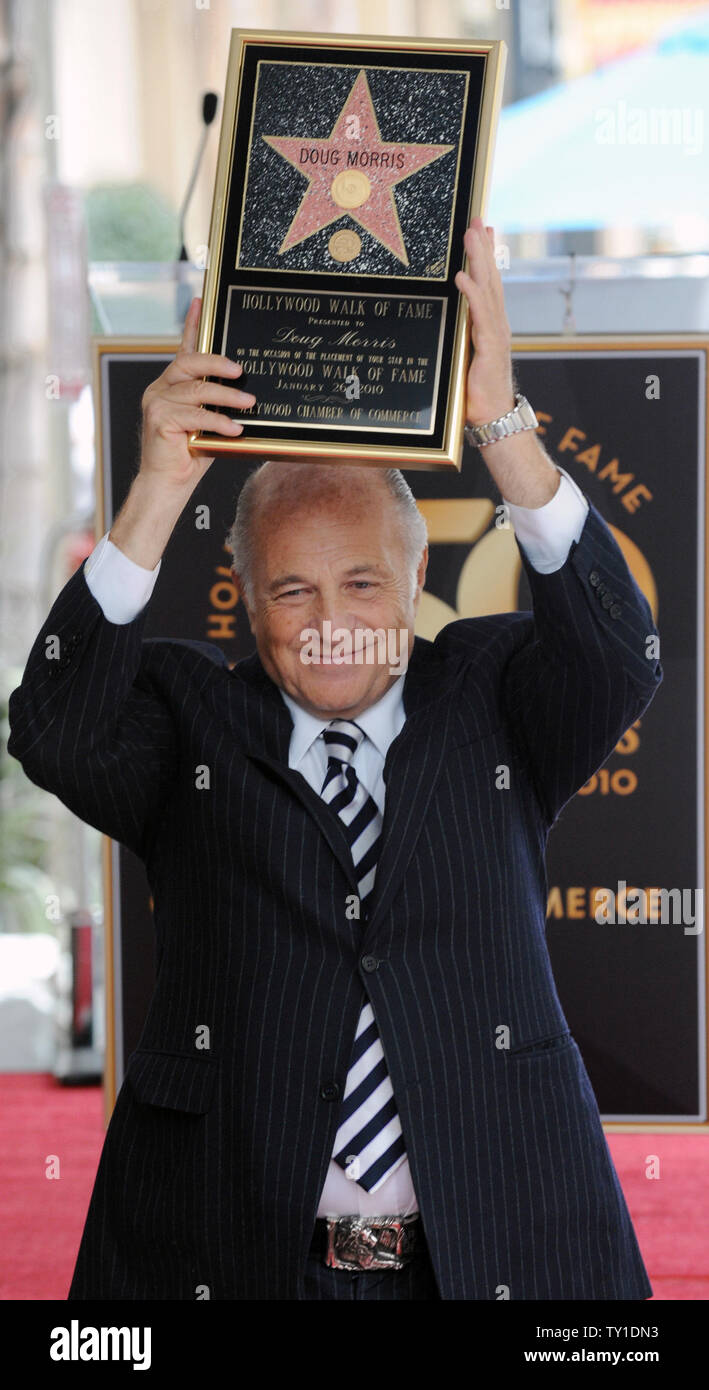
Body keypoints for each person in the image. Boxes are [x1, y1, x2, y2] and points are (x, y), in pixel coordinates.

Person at [8, 218, 661, 1301]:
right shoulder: (187, 717)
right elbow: (52, 729)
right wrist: (158, 488)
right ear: (243, 601)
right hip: (228, 1256)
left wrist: (499, 424)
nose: (326, 623)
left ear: (416, 581)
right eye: (290, 590)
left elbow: (621, 653)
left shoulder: (495, 694)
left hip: (495, 1253)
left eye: (360, 583)